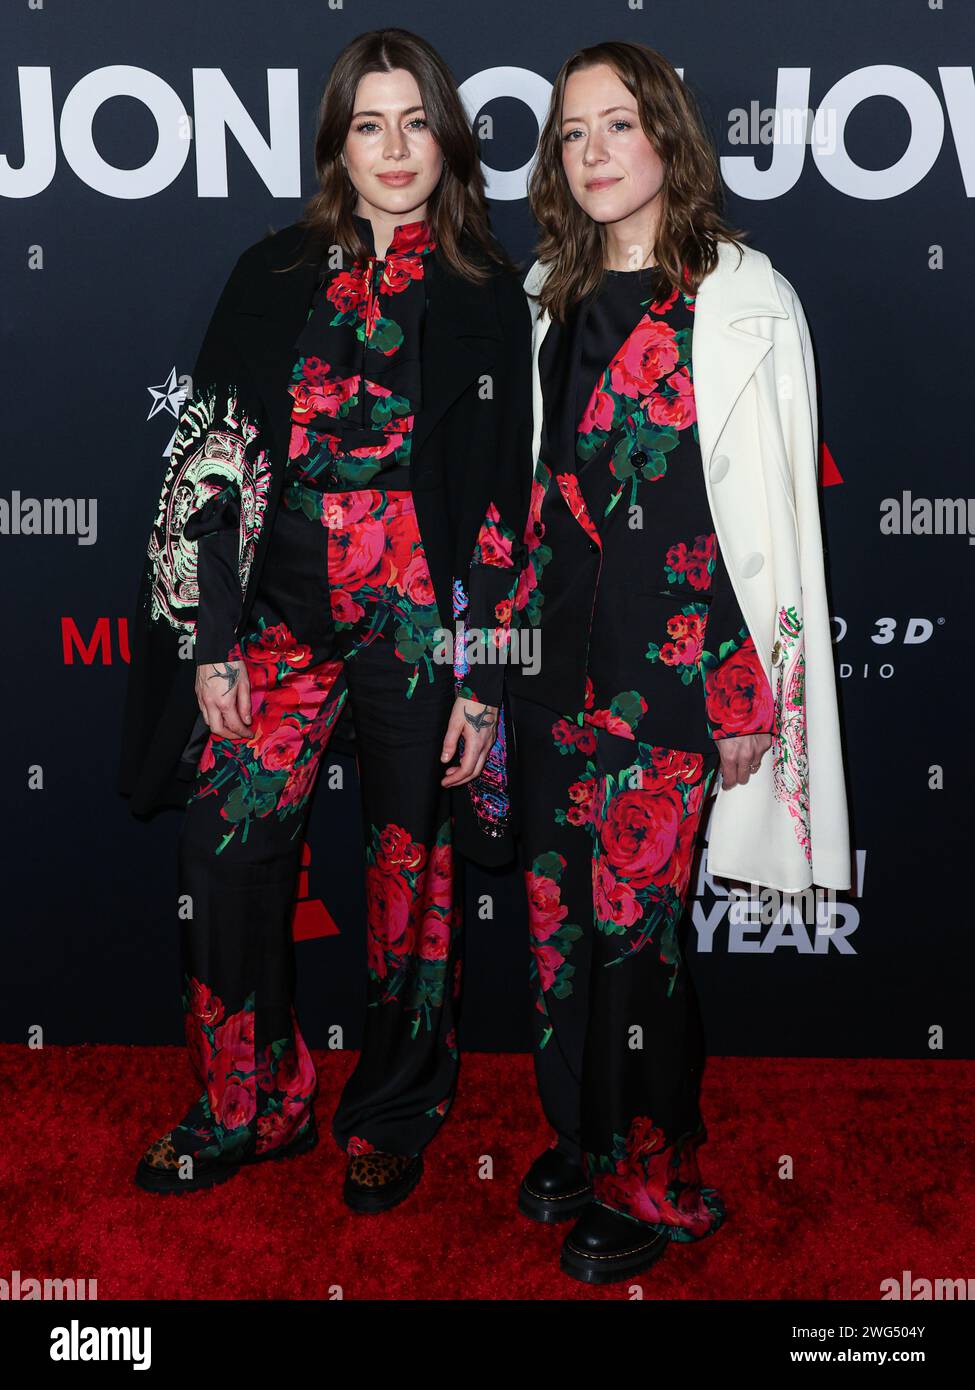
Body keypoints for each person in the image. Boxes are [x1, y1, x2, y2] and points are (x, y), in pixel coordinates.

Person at [117, 28, 532, 1212]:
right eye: (368, 124)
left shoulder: (489, 297)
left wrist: (486, 681)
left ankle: (395, 1107)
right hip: (278, 619)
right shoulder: (269, 274)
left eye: (415, 124)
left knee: (414, 871)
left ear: (446, 141)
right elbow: (205, 467)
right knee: (225, 856)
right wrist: (209, 640)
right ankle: (249, 1101)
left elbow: (508, 505)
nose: (394, 149)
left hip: (419, 625)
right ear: (336, 143)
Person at [506, 41, 851, 1284]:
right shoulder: (545, 287)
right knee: (554, 928)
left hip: (671, 676)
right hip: (551, 666)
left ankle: (654, 1177)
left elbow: (765, 526)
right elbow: (532, 498)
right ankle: (579, 1136)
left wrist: (748, 688)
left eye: (617, 124)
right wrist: (491, 668)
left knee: (638, 936)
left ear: (667, 137)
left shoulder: (742, 297)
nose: (593, 152)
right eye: (570, 133)